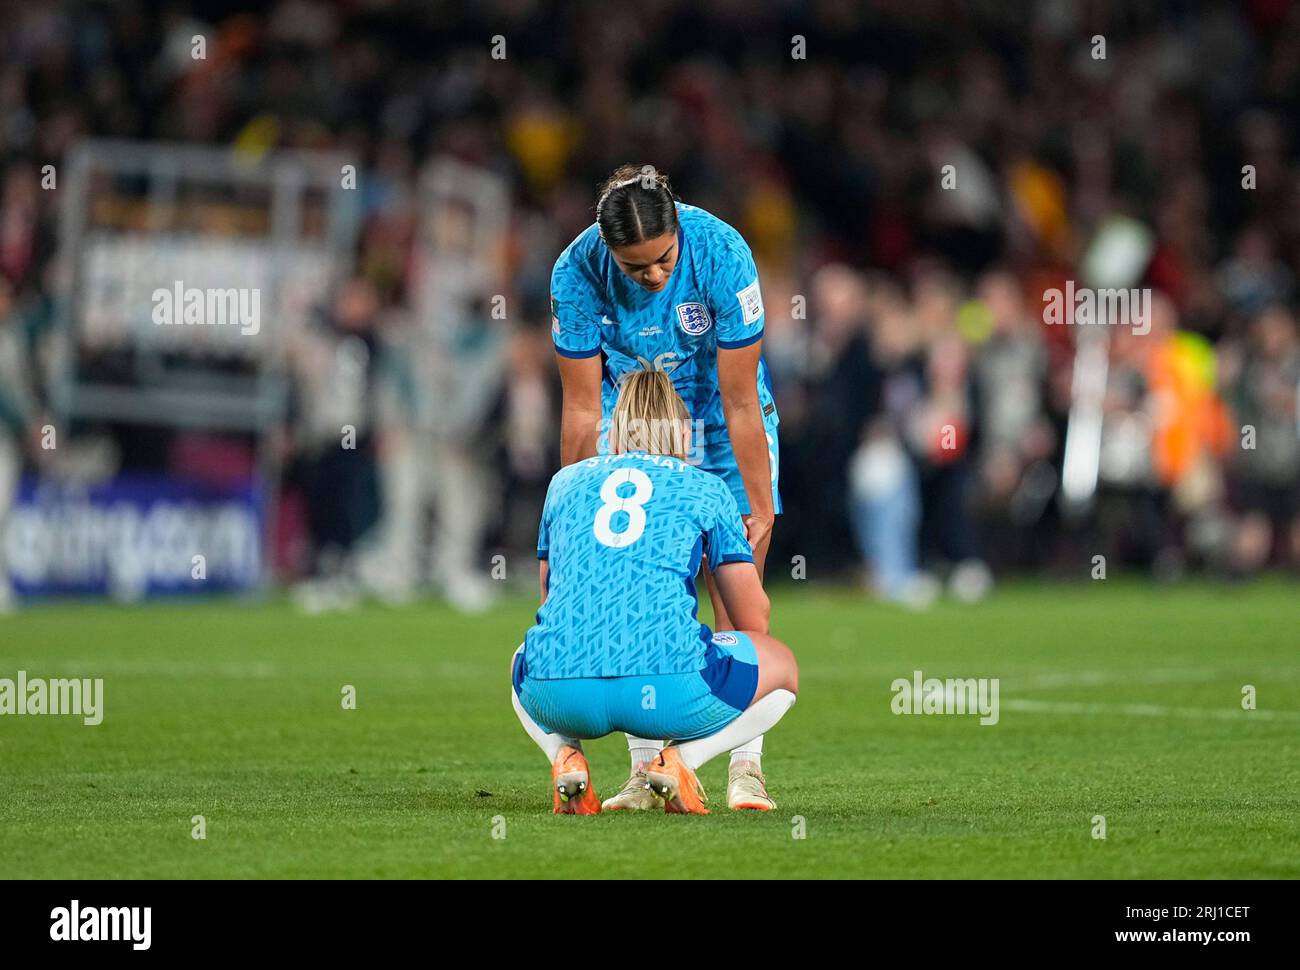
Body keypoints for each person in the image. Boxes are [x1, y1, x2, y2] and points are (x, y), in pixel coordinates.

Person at [550, 164, 783, 809]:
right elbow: (578, 408)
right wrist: (573, 498)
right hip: (637, 423)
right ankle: (648, 772)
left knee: (737, 600)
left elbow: (739, 400)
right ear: (607, 253)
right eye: (635, 269)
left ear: (679, 227)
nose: (652, 276)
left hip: (718, 422)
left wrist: (758, 506)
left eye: (662, 260)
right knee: (639, 591)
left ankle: (745, 769)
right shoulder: (575, 274)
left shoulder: (724, 253)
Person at [510, 371, 798, 814]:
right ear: (685, 431)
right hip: (665, 691)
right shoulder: (705, 487)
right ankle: (680, 761)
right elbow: (753, 621)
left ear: (613, 431)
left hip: (561, 694)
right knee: (783, 668)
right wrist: (736, 550)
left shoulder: (563, 483)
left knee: (521, 659)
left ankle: (565, 755)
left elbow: (549, 599)